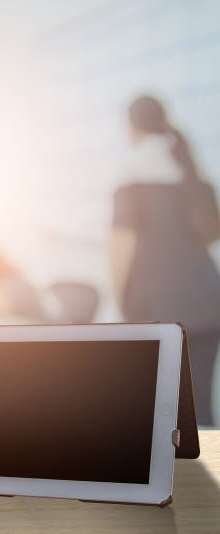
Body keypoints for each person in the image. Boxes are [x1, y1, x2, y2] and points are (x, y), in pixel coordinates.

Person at [112, 95, 220, 426]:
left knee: (156, 417)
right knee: (200, 413)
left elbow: (120, 250)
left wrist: (121, 303)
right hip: (207, 304)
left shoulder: (131, 178)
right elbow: (212, 235)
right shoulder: (194, 177)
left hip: (155, 311)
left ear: (132, 127)